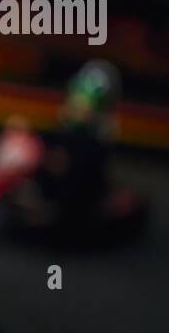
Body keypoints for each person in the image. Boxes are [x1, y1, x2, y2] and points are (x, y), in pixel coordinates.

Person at [33, 60, 120, 223]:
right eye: (76, 102)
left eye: (84, 105)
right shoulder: (56, 136)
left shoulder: (95, 145)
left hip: (74, 206)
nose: (78, 108)